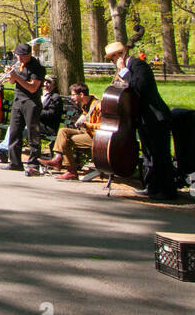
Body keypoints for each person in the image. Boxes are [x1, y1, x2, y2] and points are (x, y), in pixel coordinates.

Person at [104, 40, 178, 199]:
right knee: (148, 155)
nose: (112, 61)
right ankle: (151, 187)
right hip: (142, 119)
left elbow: (139, 86)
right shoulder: (128, 69)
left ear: (119, 55)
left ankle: (167, 190)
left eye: (112, 58)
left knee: (160, 156)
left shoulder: (138, 65)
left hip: (155, 117)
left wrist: (123, 71)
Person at [0, 42, 46, 175]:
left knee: (33, 134)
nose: (19, 59)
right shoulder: (18, 64)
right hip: (18, 101)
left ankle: (33, 163)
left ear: (29, 55)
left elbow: (33, 88)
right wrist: (10, 75)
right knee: (14, 131)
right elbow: (12, 82)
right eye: (18, 56)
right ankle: (15, 162)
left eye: (22, 56)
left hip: (31, 102)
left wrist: (17, 77)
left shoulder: (37, 68)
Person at [43, 83, 101, 180]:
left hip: (96, 137)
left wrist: (86, 125)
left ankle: (71, 171)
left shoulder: (98, 105)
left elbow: (102, 127)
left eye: (73, 95)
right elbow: (86, 115)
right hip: (86, 132)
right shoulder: (87, 103)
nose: (71, 97)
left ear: (81, 95)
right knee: (63, 131)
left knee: (66, 141)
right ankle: (58, 158)